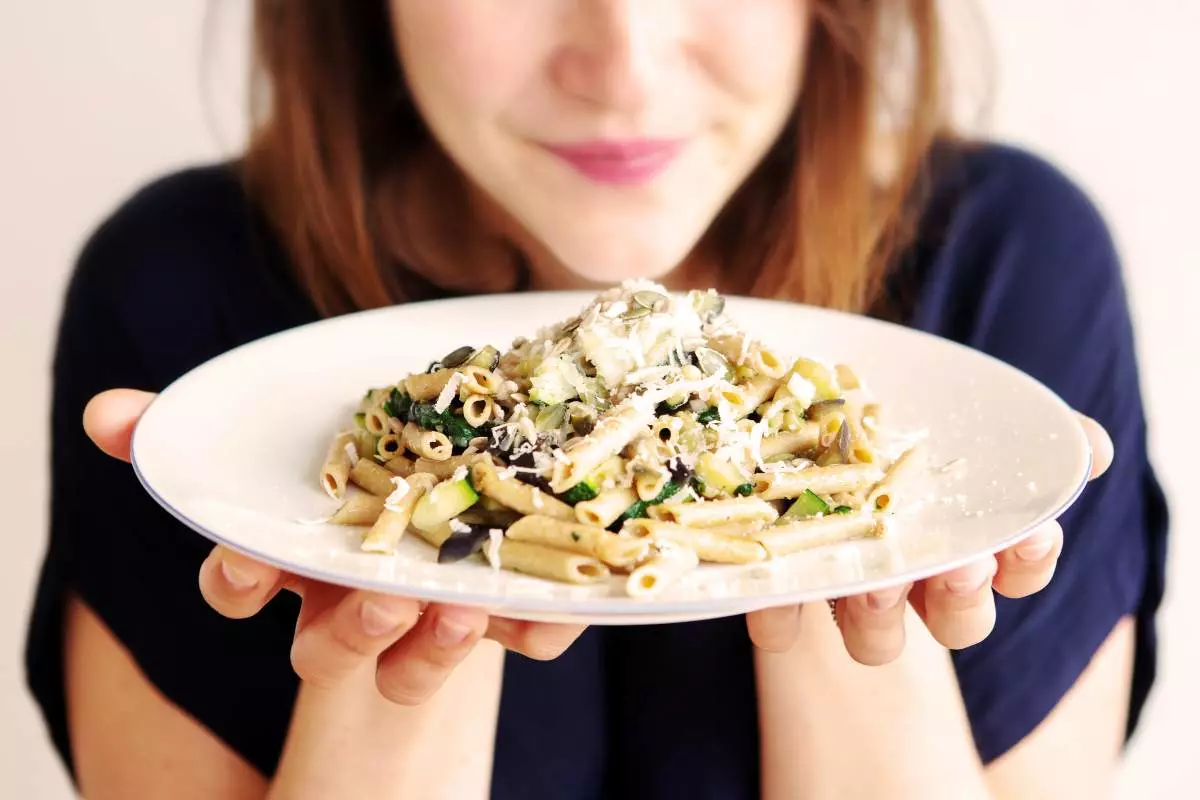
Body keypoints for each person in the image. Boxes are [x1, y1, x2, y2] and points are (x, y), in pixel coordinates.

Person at [25, 2, 1168, 798]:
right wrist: (418, 569)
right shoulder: (191, 307)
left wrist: (837, 518)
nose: (622, 64)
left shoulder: (1005, 269)